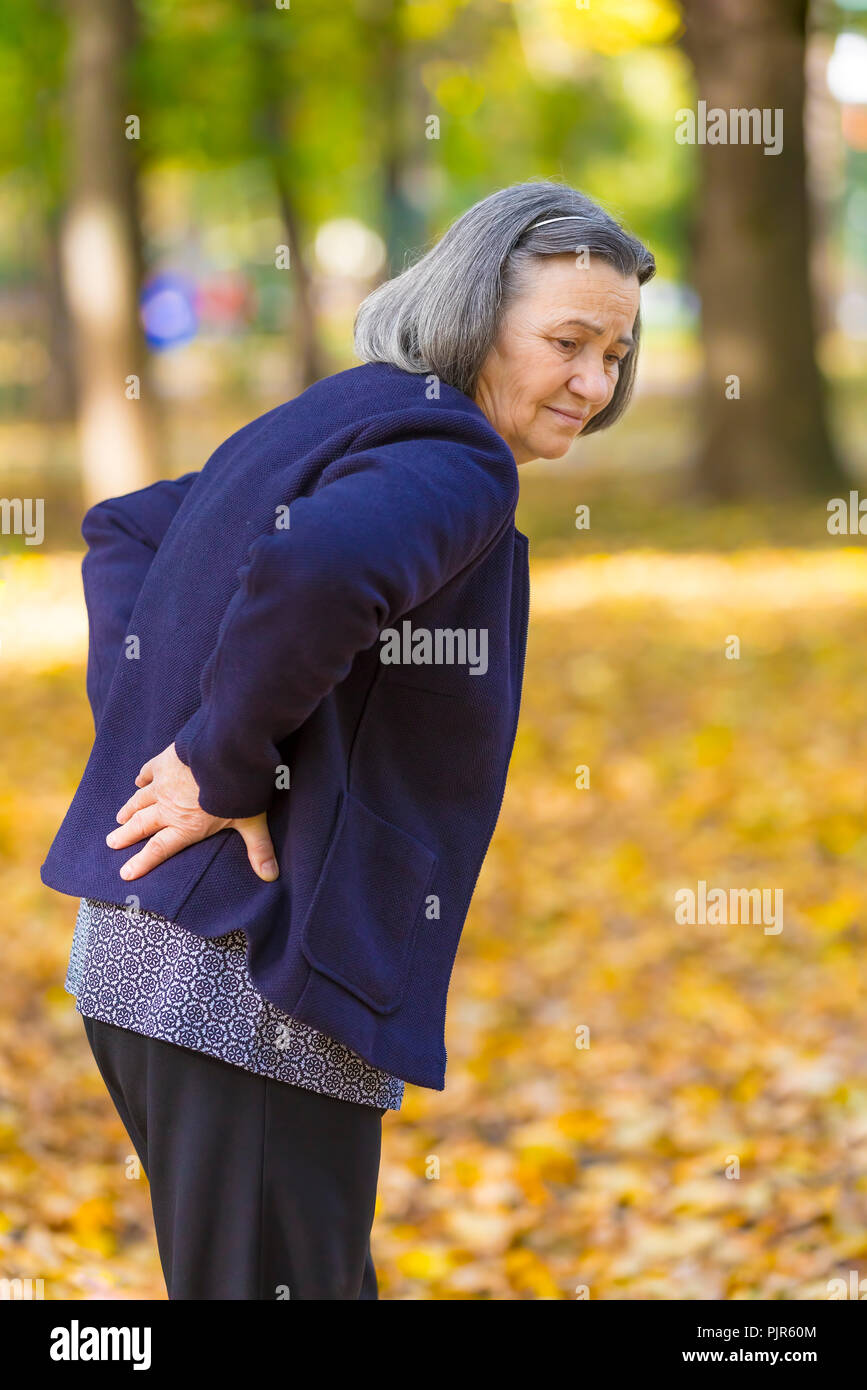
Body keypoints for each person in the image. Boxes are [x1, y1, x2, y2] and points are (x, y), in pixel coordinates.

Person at [42, 180, 655, 1300]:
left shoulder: (341, 414)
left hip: (147, 964)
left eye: (614, 354)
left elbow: (128, 530)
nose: (592, 383)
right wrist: (212, 762)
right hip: (251, 980)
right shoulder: (456, 456)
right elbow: (320, 572)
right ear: (476, 314)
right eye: (567, 342)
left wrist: (172, 733)